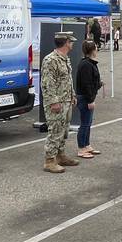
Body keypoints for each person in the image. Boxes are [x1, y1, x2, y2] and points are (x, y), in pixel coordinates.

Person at [41, 32, 78, 174]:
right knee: (55, 130)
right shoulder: (50, 60)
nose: (72, 44)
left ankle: (60, 155)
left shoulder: (64, 59)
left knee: (64, 130)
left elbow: (67, 79)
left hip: (66, 100)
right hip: (56, 102)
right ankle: (49, 161)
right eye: (71, 41)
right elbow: (47, 83)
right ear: (66, 42)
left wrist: (72, 95)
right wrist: (53, 102)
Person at [74, 40, 103, 159]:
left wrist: (99, 83)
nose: (97, 50)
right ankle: (81, 148)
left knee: (88, 122)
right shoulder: (86, 64)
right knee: (85, 124)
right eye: (96, 48)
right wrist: (90, 100)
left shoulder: (89, 63)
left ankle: (87, 144)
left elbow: (91, 81)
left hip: (87, 96)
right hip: (85, 98)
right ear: (92, 50)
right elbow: (86, 84)